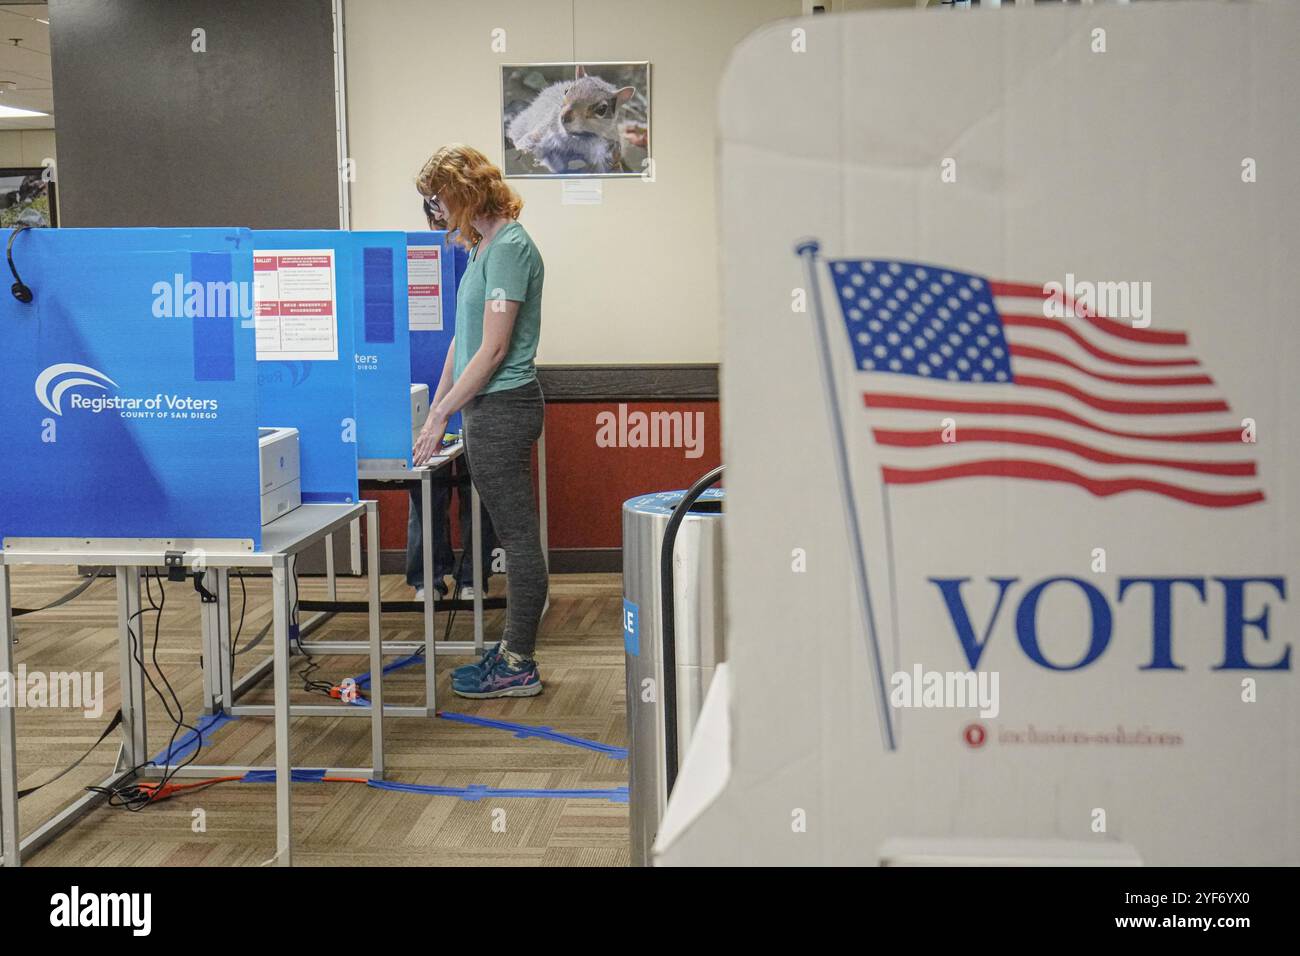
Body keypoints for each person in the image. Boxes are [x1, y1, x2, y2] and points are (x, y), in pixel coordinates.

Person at [413, 144, 547, 700]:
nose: (436, 211)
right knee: (514, 535)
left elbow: (492, 351)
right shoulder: (481, 248)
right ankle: (512, 651)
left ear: (464, 191)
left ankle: (519, 661)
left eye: (439, 197)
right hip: (481, 410)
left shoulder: (511, 247)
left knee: (517, 539)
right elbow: (459, 344)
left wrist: (443, 413)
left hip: (503, 408)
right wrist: (435, 413)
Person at [405, 455, 499, 601]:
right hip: (426, 431)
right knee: (426, 491)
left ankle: (474, 579)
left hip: (476, 432)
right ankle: (427, 581)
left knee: (477, 492)